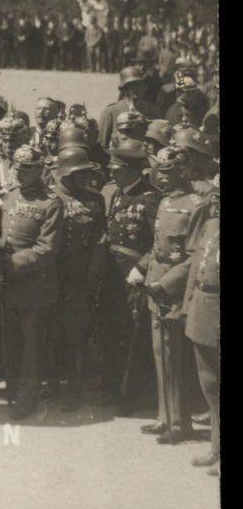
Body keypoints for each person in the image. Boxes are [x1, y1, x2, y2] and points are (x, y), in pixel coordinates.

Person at [127, 146, 209, 444]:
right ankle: (164, 417)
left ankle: (180, 422)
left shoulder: (196, 204)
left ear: (184, 171)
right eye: (160, 170)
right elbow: (158, 248)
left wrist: (167, 283)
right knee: (160, 353)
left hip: (174, 288)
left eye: (169, 171)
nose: (162, 176)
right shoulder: (163, 201)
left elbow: (193, 255)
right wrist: (142, 268)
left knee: (175, 356)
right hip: (155, 285)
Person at [0, 145, 63, 420]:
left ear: (40, 170)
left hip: (33, 285)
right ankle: (12, 390)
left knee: (30, 343)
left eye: (26, 168)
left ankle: (27, 395)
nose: (19, 172)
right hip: (7, 283)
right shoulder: (8, 196)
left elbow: (47, 248)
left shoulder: (51, 203)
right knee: (11, 341)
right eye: (17, 167)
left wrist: (12, 265)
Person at [99, 138, 161, 412]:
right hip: (112, 272)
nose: (112, 172)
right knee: (113, 330)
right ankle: (113, 390)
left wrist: (143, 267)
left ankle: (130, 395)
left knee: (135, 335)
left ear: (134, 170)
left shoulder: (151, 198)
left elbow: (160, 242)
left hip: (134, 274)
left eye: (118, 168)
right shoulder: (117, 194)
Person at [51, 147, 107, 411]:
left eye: (86, 173)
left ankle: (73, 388)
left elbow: (100, 236)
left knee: (76, 333)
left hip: (81, 276)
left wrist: (95, 266)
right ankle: (52, 385)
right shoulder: (50, 197)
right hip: (52, 273)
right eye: (79, 173)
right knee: (51, 332)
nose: (85, 178)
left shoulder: (96, 200)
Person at [183, 181, 219, 474]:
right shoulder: (209, 225)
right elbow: (196, 266)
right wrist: (188, 306)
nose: (216, 202)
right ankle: (216, 449)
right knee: (209, 385)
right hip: (203, 306)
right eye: (215, 197)